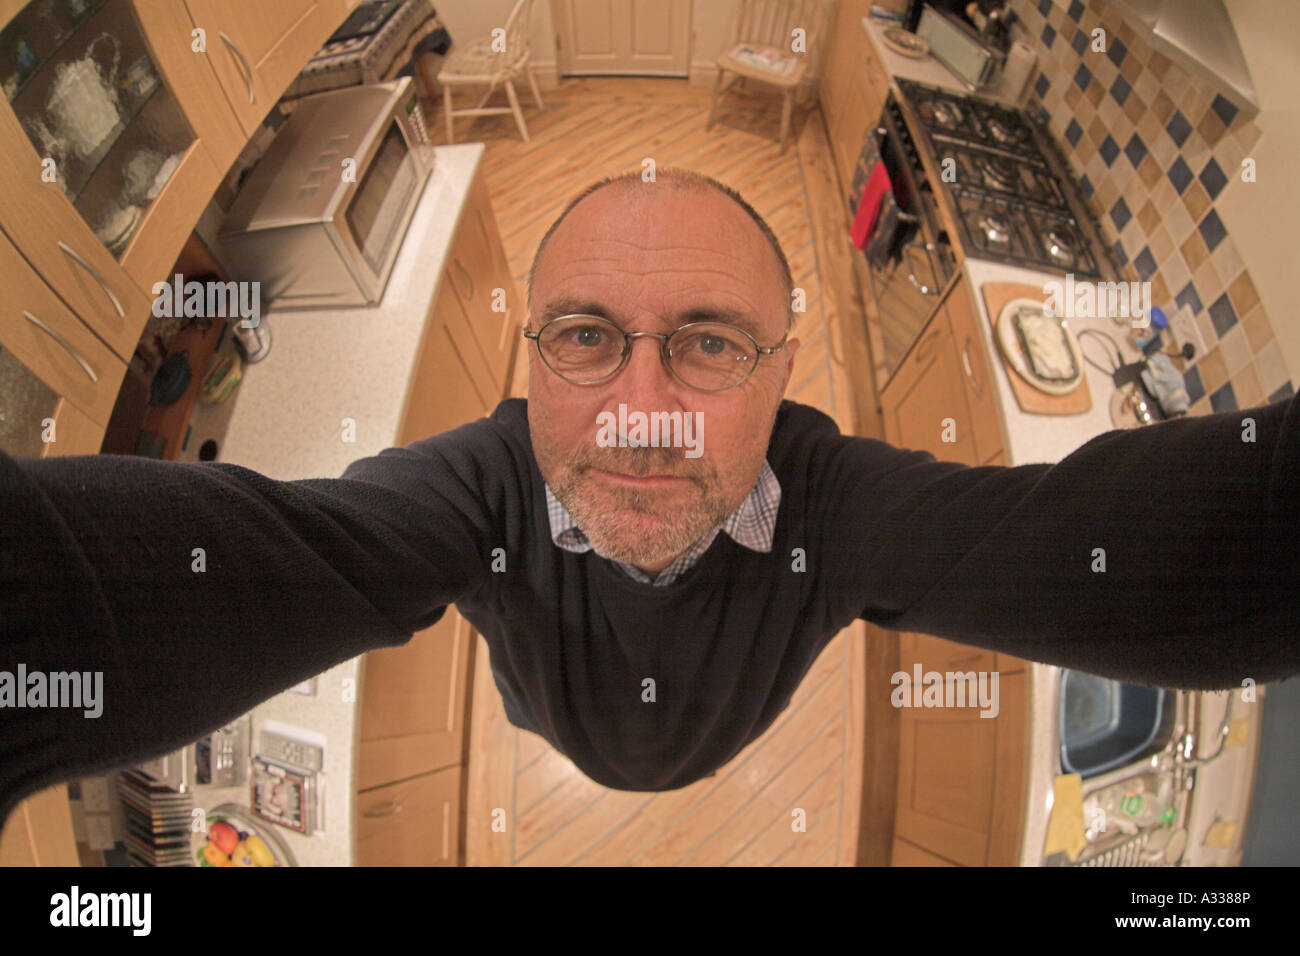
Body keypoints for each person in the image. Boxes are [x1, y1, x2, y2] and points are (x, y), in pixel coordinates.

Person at [2, 168, 1298, 832]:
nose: (638, 408)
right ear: (532, 362)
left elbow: (1145, 550)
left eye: (710, 343)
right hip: (559, 720)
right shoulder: (479, 481)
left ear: (783, 376)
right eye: (583, 338)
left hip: (718, 737)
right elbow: (230, 568)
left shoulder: (831, 497)